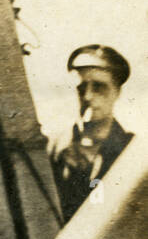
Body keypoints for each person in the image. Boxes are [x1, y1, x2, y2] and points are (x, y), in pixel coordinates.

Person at [48, 45, 134, 221]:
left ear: (117, 92)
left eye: (99, 87)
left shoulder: (132, 152)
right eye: (81, 87)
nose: (87, 96)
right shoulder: (53, 147)